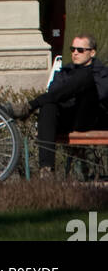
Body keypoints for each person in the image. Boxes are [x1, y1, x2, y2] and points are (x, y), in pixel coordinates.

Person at [13, 34, 108, 174]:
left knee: (85, 77)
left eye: (80, 50)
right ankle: (46, 170)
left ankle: (31, 106)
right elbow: (53, 94)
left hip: (89, 117)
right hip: (67, 118)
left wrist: (74, 89)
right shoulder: (65, 72)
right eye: (73, 49)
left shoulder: (102, 73)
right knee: (48, 106)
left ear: (92, 52)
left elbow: (102, 94)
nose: (75, 53)